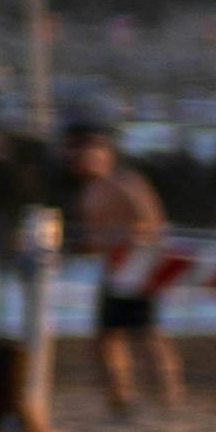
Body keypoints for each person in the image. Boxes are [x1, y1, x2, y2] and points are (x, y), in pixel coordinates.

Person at [60, 126, 175, 410]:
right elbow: (92, 241)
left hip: (137, 269)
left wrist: (132, 244)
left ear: (103, 154)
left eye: (85, 154)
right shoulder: (87, 194)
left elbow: (153, 222)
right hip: (113, 274)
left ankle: (169, 393)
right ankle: (120, 394)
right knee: (108, 337)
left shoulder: (125, 182)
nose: (78, 162)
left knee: (146, 334)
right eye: (75, 156)